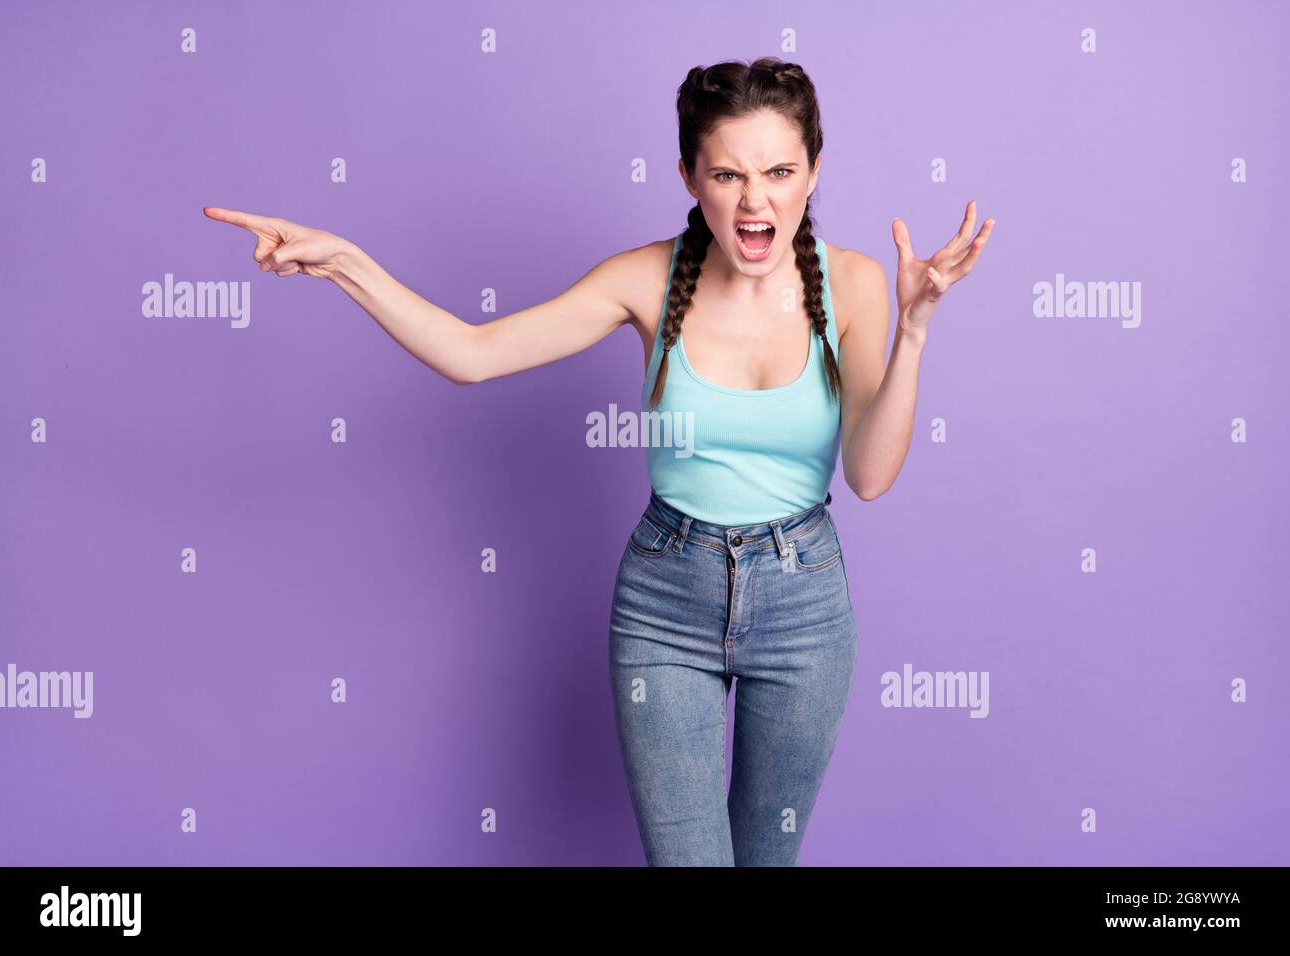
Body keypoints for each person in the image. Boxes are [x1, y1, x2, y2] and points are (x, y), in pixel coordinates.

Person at [204, 56, 994, 866]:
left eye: (779, 172)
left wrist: (915, 330)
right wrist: (343, 262)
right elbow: (473, 354)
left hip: (805, 607)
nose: (755, 200)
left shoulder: (855, 283)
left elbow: (869, 476)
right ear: (689, 176)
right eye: (727, 174)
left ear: (813, 172)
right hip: (666, 602)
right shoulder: (645, 278)